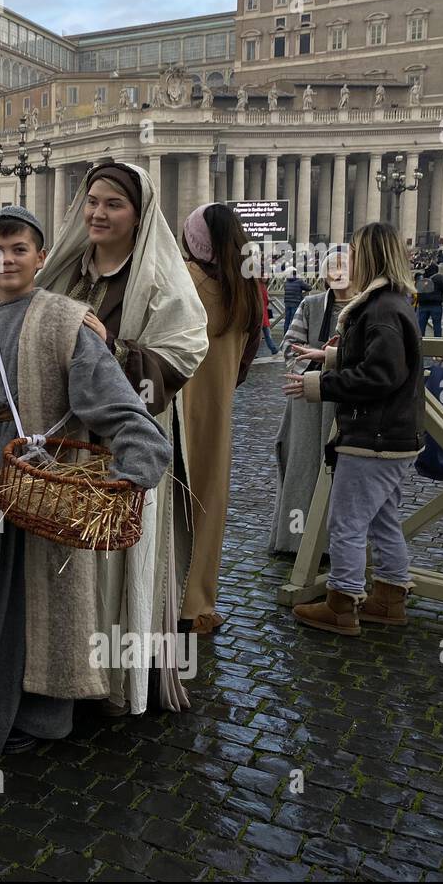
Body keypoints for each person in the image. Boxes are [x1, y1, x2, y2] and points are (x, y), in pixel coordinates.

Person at [0, 205, 171, 759]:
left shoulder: (64, 322)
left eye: (19, 249)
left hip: (33, 485)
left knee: (33, 601)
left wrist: (138, 457)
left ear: (41, 257)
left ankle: (37, 713)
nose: (6, 260)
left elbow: (114, 402)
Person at [38, 159, 208, 714]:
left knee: (113, 556)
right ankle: (60, 669)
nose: (98, 213)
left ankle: (112, 681)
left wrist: (110, 347)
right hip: (65, 443)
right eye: (92, 201)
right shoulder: (66, 272)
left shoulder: (159, 280)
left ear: (138, 214)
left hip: (124, 445)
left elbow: (185, 351)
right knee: (65, 555)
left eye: (113, 204)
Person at [285, 223, 424, 634]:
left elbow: (380, 374)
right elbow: (376, 359)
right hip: (395, 434)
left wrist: (319, 383)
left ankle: (342, 604)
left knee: (346, 522)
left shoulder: (380, 309)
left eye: (356, 254)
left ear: (370, 258)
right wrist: (329, 357)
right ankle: (390, 596)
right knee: (383, 519)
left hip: (373, 436)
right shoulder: (393, 303)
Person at [175, 204, 263, 634]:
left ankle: (163, 598)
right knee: (208, 506)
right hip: (218, 413)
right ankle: (197, 605)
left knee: (168, 505)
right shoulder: (246, 289)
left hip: (174, 409)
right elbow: (247, 363)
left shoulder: (184, 280)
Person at [270, 246, 351, 553]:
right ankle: (295, 540)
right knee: (302, 468)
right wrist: (314, 363)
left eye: (344, 265)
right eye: (333, 266)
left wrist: (334, 358)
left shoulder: (363, 307)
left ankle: (335, 546)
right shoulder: (311, 304)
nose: (338, 271)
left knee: (340, 472)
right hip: (306, 398)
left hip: (343, 401)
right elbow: (290, 349)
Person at [415, 261, 443, 336]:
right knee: (437, 325)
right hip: (436, 304)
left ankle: (420, 342)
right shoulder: (439, 278)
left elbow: (417, 288)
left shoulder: (421, 277)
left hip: (423, 304)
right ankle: (437, 343)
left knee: (421, 326)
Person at [283, 267, 308, 335]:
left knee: (287, 320)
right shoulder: (299, 281)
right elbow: (309, 288)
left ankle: (285, 334)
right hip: (295, 302)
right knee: (293, 320)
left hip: (287, 303)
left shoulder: (286, 281)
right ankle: (292, 335)